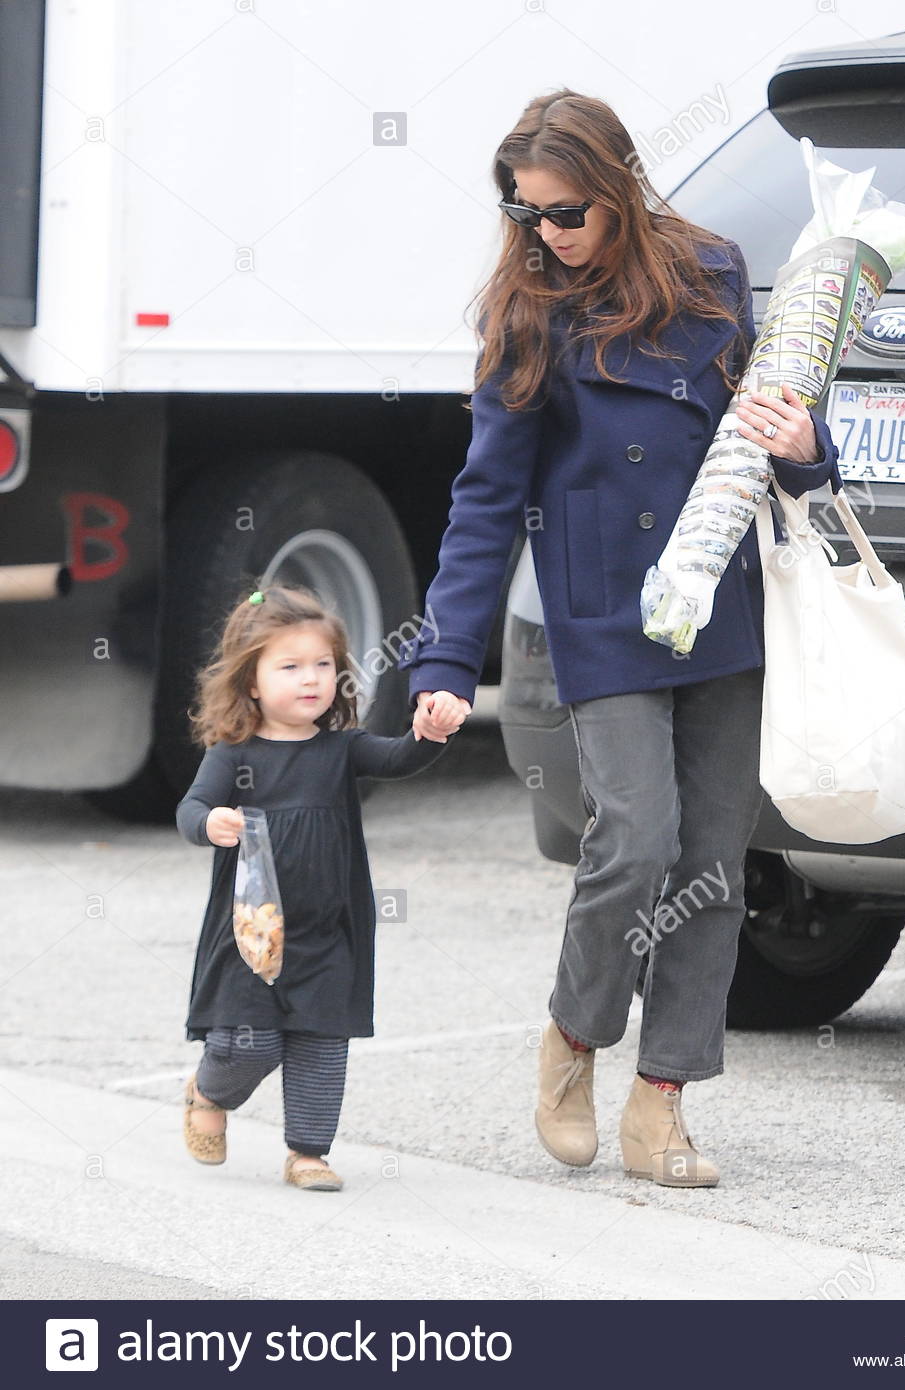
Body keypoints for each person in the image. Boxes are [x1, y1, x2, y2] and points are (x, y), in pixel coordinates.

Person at [397, 91, 843, 1188]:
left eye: (564, 213)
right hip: (603, 614)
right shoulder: (523, 317)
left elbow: (765, 424)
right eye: (522, 214)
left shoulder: (712, 275)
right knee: (633, 841)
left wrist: (803, 447)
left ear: (618, 189)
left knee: (712, 865)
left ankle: (662, 1102)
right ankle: (574, 1034)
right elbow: (483, 499)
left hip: (719, 612)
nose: (541, 235)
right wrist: (447, 659)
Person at [175, 584, 455, 1190]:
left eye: (323, 665)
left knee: (322, 1042)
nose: (311, 679)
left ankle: (307, 1152)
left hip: (329, 932)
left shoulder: (340, 748)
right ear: (252, 682)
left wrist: (428, 733)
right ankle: (209, 1090)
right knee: (246, 1044)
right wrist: (210, 822)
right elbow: (190, 808)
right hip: (254, 932)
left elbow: (399, 759)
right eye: (291, 666)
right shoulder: (233, 755)